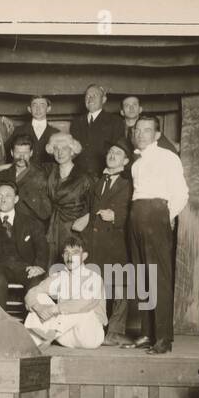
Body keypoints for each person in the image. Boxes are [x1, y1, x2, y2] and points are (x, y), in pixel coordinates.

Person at [127, 114, 189, 355]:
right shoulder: (136, 164)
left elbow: (181, 194)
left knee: (158, 278)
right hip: (136, 215)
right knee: (142, 276)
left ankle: (163, 338)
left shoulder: (168, 158)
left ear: (157, 135)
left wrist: (165, 217)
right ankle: (147, 332)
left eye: (146, 130)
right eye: (137, 130)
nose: (140, 134)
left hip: (156, 215)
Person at [82, 140, 136, 345]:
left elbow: (134, 210)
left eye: (118, 153)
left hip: (118, 241)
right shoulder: (98, 181)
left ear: (126, 160)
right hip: (96, 242)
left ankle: (115, 331)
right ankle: (96, 328)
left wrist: (115, 216)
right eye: (110, 152)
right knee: (97, 286)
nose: (112, 155)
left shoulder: (130, 182)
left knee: (120, 287)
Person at [24, 236, 107, 349]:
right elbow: (32, 292)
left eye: (75, 253)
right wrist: (38, 307)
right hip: (64, 335)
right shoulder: (59, 277)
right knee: (40, 296)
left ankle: (47, 336)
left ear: (84, 256)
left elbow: (83, 304)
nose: (70, 257)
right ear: (63, 256)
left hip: (89, 335)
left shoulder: (94, 278)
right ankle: (32, 341)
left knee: (83, 308)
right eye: (66, 253)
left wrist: (54, 309)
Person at [0, 181, 46, 304]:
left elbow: (42, 248)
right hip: (0, 268)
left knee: (36, 283)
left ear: (16, 199)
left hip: (26, 268)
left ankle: (30, 322)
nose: (3, 199)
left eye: (8, 196)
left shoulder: (30, 222)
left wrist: (39, 266)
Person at [45, 132, 93, 268]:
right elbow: (26, 167)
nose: (59, 153)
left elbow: (94, 203)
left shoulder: (84, 176)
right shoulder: (49, 171)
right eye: (56, 149)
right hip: (53, 226)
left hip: (75, 227)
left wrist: (87, 217)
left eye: (64, 148)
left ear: (72, 151)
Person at [70, 83, 127, 177]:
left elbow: (118, 152)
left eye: (95, 95)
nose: (90, 99)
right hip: (79, 177)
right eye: (88, 96)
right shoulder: (76, 122)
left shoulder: (115, 121)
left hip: (103, 175)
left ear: (103, 100)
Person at [8, 134, 52, 232]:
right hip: (8, 227)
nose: (21, 157)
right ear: (11, 153)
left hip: (30, 229)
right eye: (18, 153)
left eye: (25, 153)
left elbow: (45, 213)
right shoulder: (4, 174)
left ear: (31, 153)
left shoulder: (41, 175)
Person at [8, 95, 58, 165]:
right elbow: (10, 157)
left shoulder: (56, 133)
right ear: (29, 109)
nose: (38, 109)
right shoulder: (18, 131)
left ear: (48, 109)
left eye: (42, 105)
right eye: (34, 105)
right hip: (26, 174)